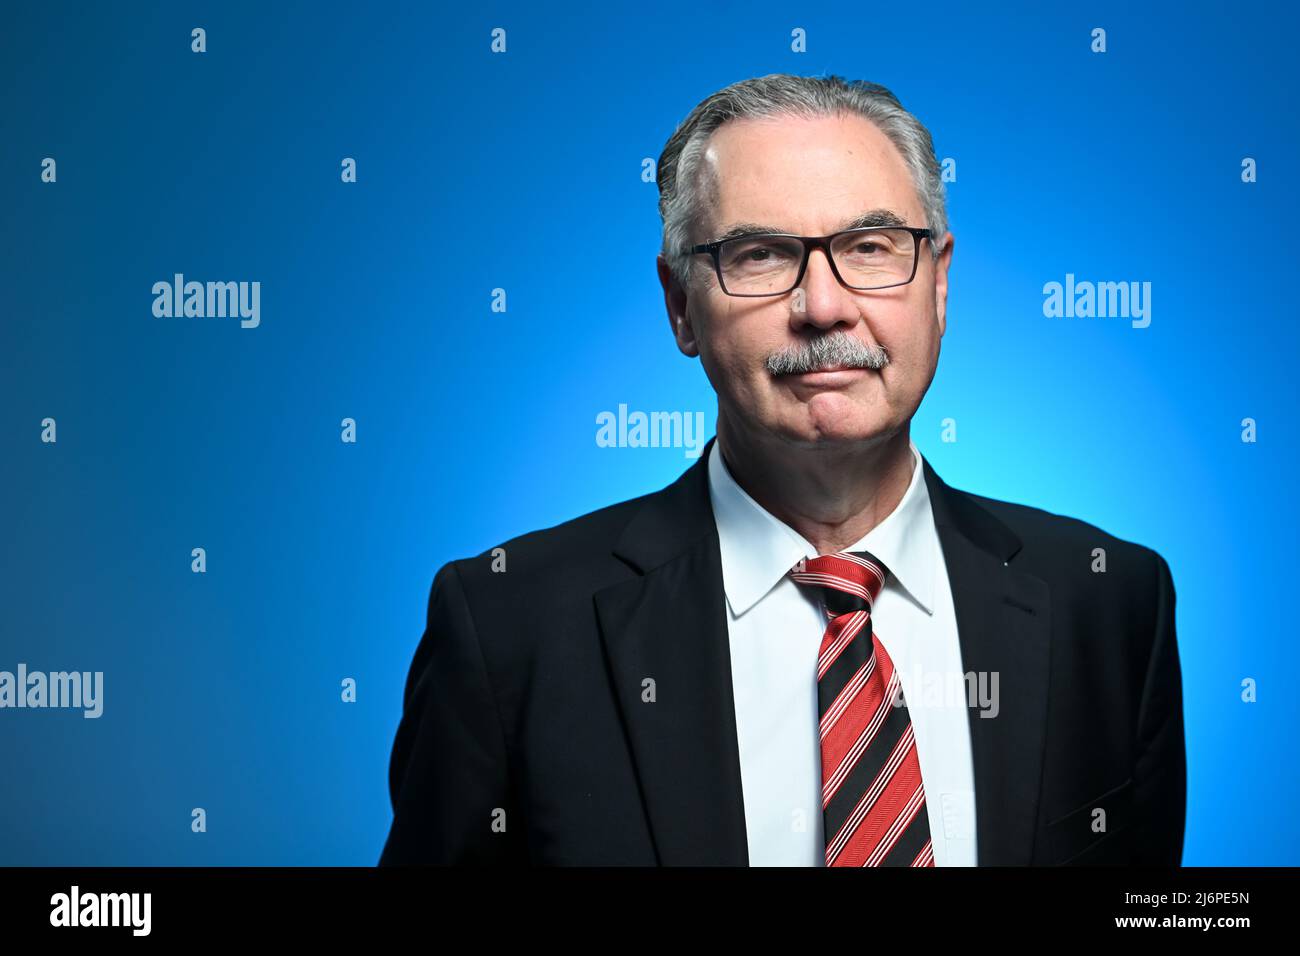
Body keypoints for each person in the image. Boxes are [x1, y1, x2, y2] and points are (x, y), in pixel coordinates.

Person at [378, 73, 1185, 866]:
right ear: (681, 305)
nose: (823, 306)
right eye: (760, 255)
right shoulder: (506, 627)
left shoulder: (1110, 600)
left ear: (939, 284)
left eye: (870, 248)